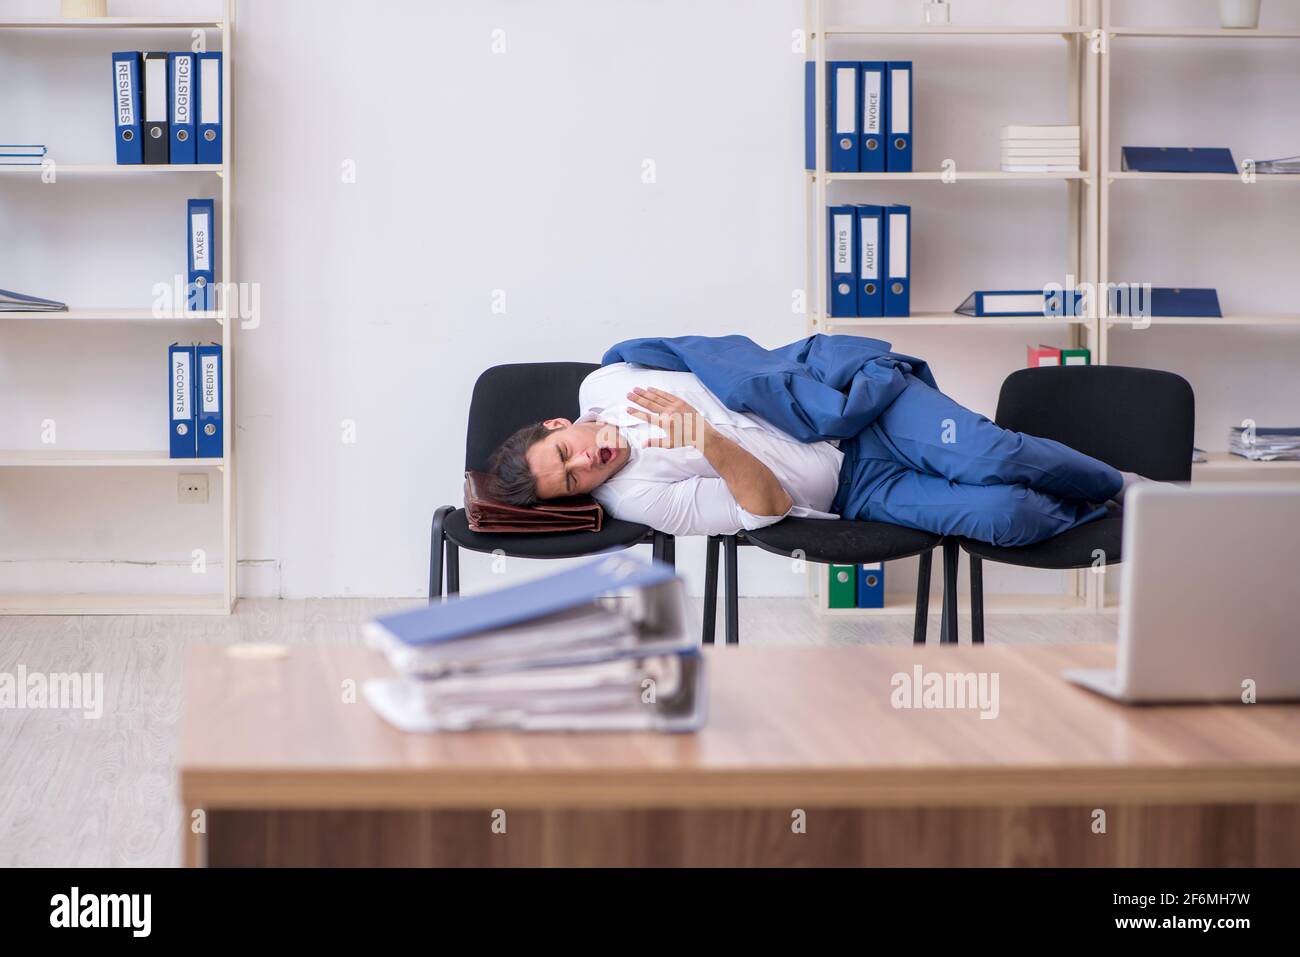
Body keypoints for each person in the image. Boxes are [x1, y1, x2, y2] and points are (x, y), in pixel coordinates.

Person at [487, 336, 1146, 546]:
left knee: (990, 455)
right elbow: (766, 511)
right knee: (1004, 516)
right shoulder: (638, 499)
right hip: (858, 487)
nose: (585, 463)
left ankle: (1125, 488)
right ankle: (1097, 513)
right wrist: (709, 442)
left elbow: (729, 359)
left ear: (557, 424)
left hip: (857, 413)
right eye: (573, 481)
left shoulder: (612, 376)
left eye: (565, 453)